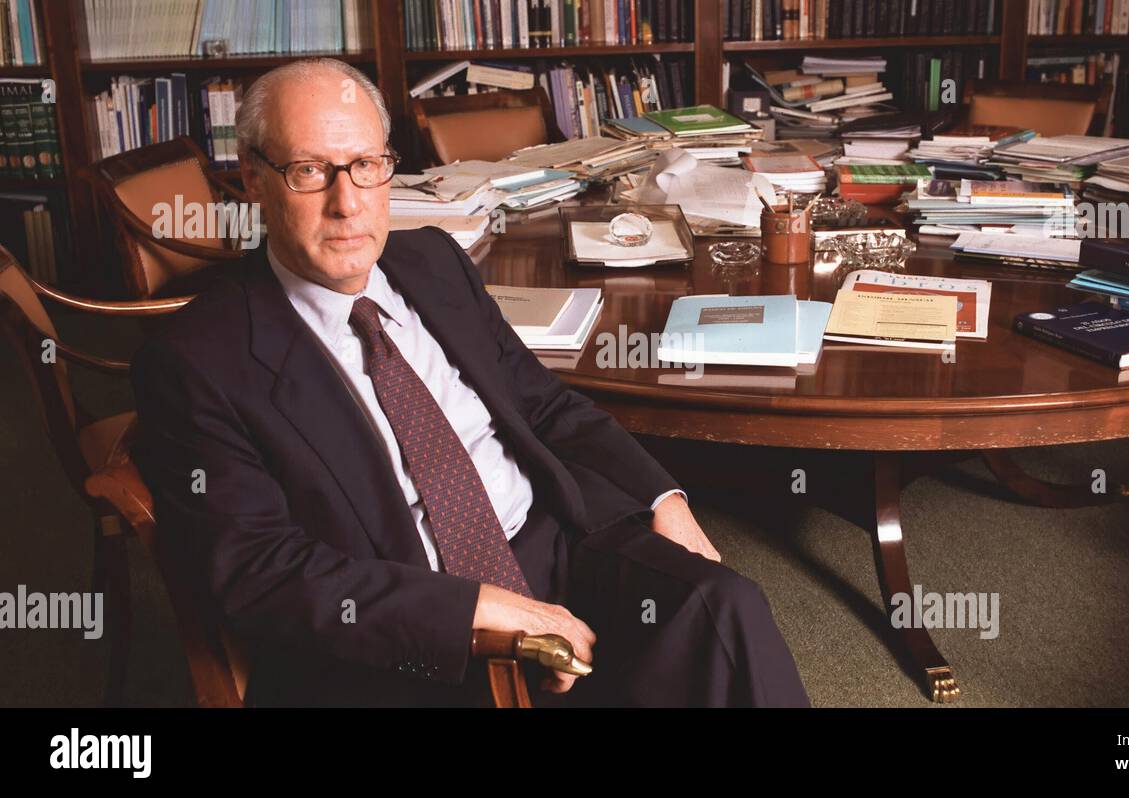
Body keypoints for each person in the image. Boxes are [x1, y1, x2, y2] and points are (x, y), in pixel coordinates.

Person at [132, 58, 809, 707]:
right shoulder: (198, 359)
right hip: (410, 621)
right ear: (254, 179)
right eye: (310, 171)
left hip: (552, 546)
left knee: (723, 606)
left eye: (365, 167)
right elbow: (258, 569)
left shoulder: (433, 263)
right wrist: (476, 608)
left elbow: (544, 406)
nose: (347, 203)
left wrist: (661, 496)